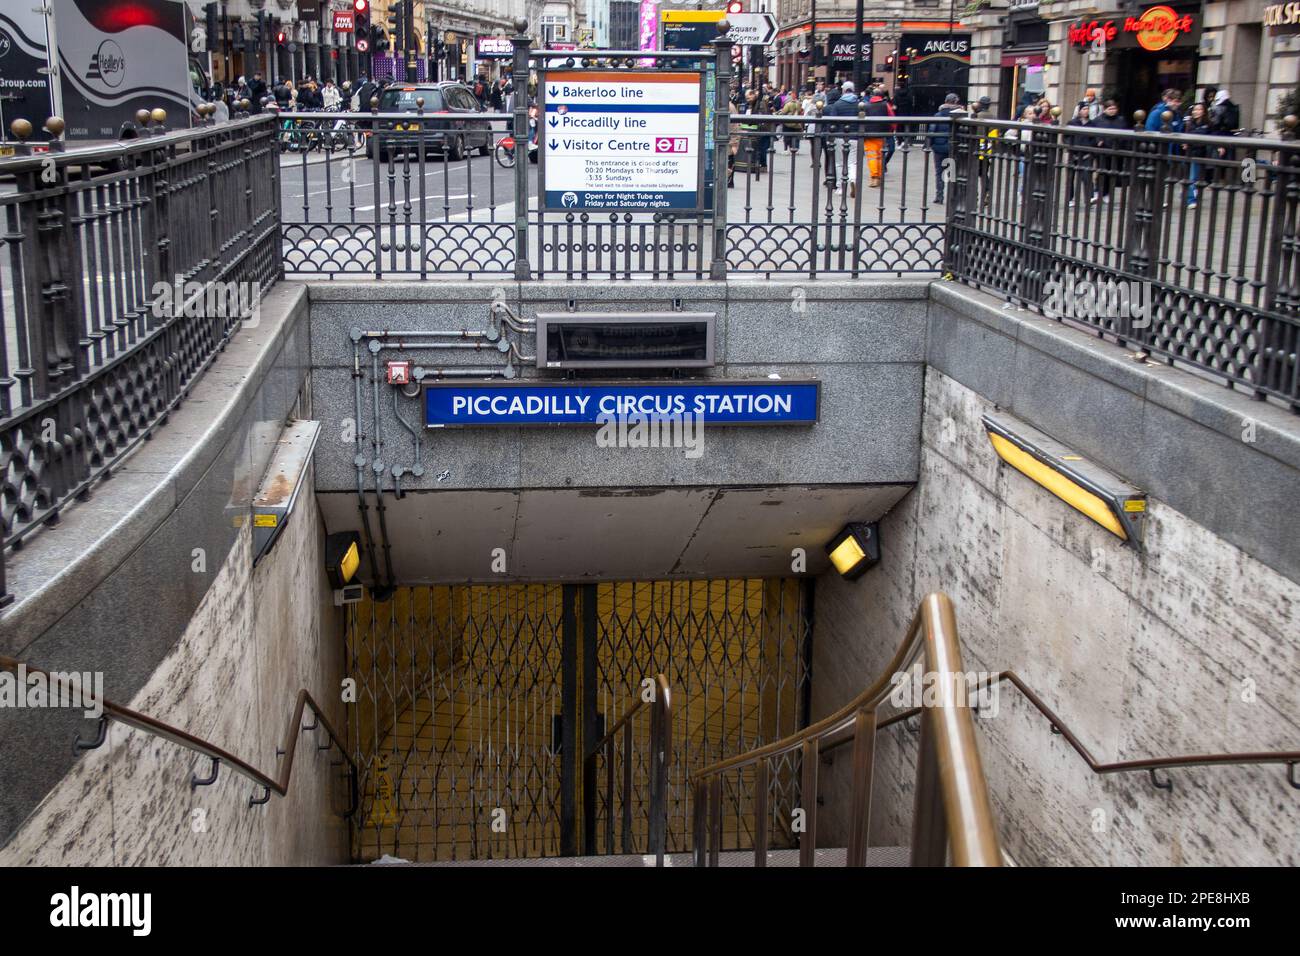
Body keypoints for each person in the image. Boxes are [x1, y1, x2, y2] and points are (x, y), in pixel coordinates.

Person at [825, 80, 863, 194]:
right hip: (855, 136)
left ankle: (840, 187)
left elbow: (833, 122)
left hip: (840, 136)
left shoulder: (837, 104)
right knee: (852, 162)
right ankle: (853, 179)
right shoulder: (859, 104)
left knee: (839, 163)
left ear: (843, 90)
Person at [1090, 98, 1126, 202]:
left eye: (1114, 108)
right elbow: (1093, 134)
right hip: (1102, 151)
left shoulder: (1121, 120)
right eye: (1110, 109)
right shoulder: (1097, 120)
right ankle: (1098, 191)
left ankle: (1107, 193)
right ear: (1105, 109)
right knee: (1102, 172)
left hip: (1116, 150)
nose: (1113, 111)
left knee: (1112, 173)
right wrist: (1098, 141)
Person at [930, 92, 963, 205]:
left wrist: (930, 144)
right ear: (956, 101)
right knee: (952, 173)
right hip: (953, 147)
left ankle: (939, 196)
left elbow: (932, 131)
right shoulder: (960, 115)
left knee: (939, 173)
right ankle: (953, 197)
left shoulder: (938, 115)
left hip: (939, 148)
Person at [1065, 102, 1095, 206]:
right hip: (1073, 153)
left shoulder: (1092, 124)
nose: (1086, 111)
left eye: (1087, 109)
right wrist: (1070, 146)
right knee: (1070, 177)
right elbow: (1066, 137)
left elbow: (1094, 139)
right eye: (1084, 109)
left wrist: (1090, 147)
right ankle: (1070, 198)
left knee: (1087, 176)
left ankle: (1089, 198)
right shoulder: (1072, 123)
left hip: (1086, 154)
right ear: (1079, 110)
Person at [1184, 101, 1211, 207]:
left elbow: (1206, 134)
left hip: (1202, 153)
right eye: (1195, 109)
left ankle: (1190, 196)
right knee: (1192, 176)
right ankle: (1191, 199)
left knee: (1196, 177)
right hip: (1191, 153)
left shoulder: (1208, 124)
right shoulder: (1189, 123)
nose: (1196, 112)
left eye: (1199, 109)